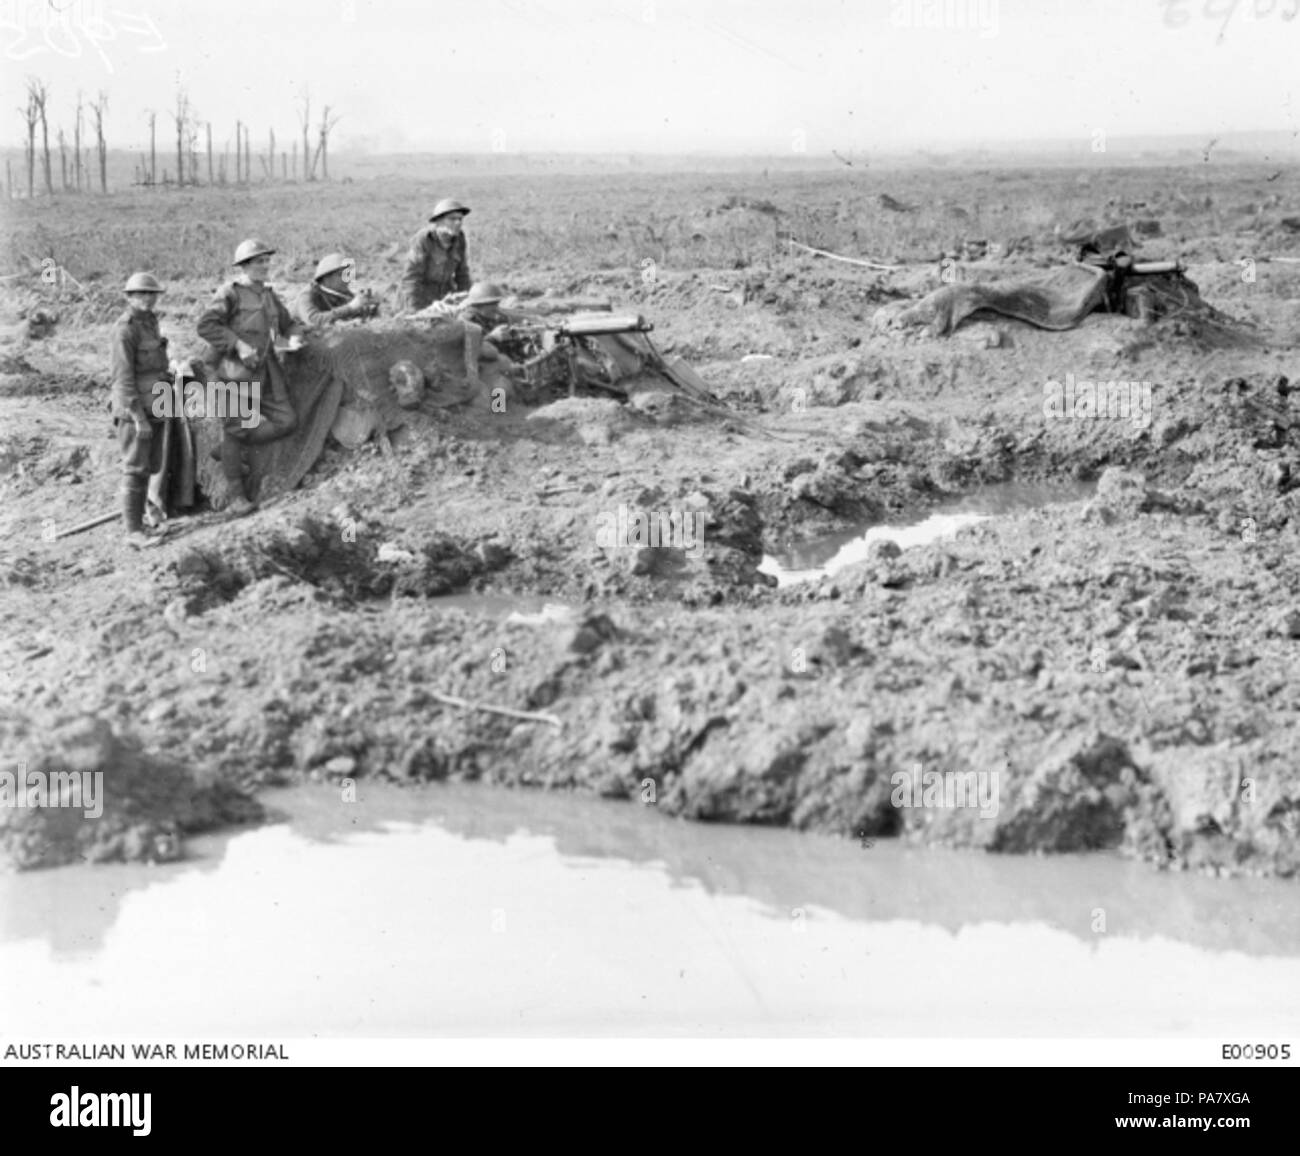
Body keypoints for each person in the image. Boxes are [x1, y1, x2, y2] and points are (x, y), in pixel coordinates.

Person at [196, 238, 304, 516]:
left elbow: (287, 322)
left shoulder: (268, 294)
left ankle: (231, 446)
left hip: (266, 371)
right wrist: (239, 345)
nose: (265, 266)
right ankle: (235, 497)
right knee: (235, 430)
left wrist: (294, 338)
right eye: (259, 262)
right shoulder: (230, 293)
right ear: (244, 266)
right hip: (235, 373)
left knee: (287, 421)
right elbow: (206, 325)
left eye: (267, 261)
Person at [108, 272, 170, 545]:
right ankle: (133, 532)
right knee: (134, 467)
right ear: (130, 297)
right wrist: (138, 418)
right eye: (141, 294)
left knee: (150, 465)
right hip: (135, 410)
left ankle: (143, 522)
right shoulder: (126, 329)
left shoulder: (150, 322)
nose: (148, 299)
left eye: (151, 294)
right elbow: (123, 379)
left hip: (154, 402)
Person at [399, 198, 472, 312]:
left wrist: (467, 300)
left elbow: (462, 274)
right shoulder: (423, 239)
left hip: (444, 297)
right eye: (452, 219)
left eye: (460, 219)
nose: (458, 223)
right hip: (421, 297)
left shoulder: (459, 239)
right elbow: (412, 278)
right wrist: (414, 310)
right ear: (439, 221)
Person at [293, 253, 380, 328]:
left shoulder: (341, 294)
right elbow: (314, 320)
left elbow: (351, 316)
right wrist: (351, 307)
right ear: (326, 277)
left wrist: (370, 306)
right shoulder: (307, 295)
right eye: (342, 275)